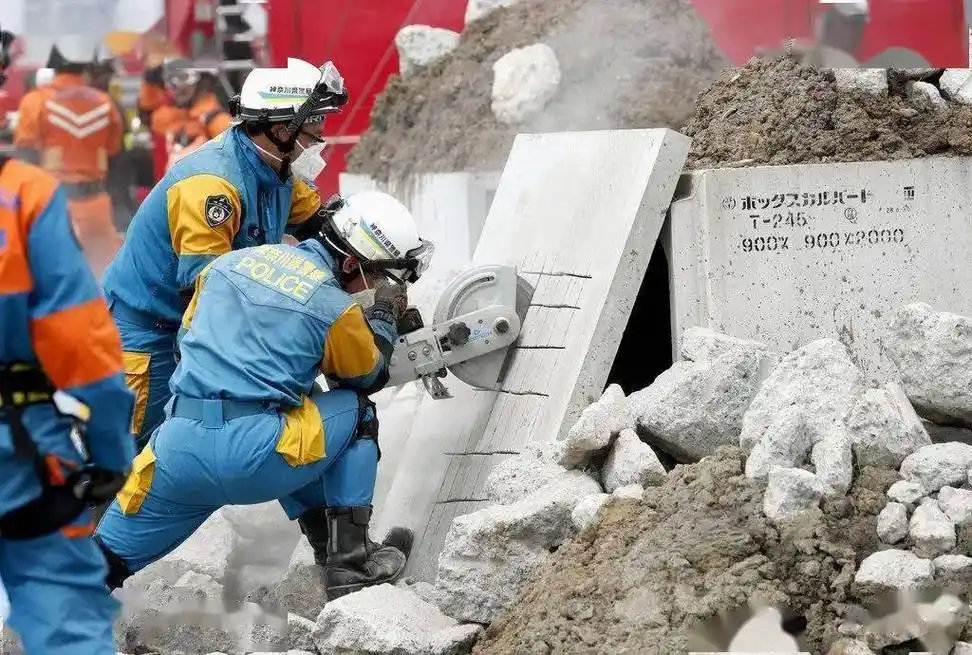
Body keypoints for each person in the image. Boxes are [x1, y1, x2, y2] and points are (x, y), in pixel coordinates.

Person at [94, 190, 434, 599]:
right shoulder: (333, 306)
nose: (378, 285)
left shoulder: (224, 267)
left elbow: (187, 340)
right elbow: (366, 377)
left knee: (100, 563)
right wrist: (382, 318)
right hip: (256, 457)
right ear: (349, 262)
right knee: (352, 414)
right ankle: (349, 564)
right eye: (377, 276)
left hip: (176, 451)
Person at [102, 56, 348, 449]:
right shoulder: (211, 187)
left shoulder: (278, 171)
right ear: (282, 128)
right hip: (146, 337)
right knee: (132, 460)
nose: (320, 136)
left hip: (191, 321)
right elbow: (207, 291)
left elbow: (326, 229)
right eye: (315, 124)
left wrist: (376, 267)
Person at [0, 24, 136, 653]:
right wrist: (111, 453)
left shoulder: (35, 106)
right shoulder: (20, 197)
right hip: (21, 456)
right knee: (69, 627)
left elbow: (31, 140)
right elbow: (85, 352)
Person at [14, 39, 126, 278]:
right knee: (107, 281)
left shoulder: (36, 102)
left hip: (54, 207)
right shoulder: (106, 104)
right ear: (86, 66)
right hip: (97, 206)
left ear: (52, 65)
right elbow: (115, 152)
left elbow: (24, 159)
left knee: (54, 280)